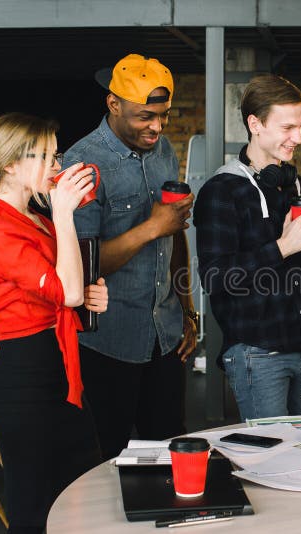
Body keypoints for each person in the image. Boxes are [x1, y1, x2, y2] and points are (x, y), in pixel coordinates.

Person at [0, 112, 108, 533]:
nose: (56, 167)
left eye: (56, 154)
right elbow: (64, 291)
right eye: (45, 156)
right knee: (33, 513)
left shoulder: (37, 220)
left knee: (83, 494)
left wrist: (88, 299)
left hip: (58, 372)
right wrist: (66, 216)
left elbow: (68, 294)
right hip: (22, 380)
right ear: (10, 163)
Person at [63, 54, 196, 460]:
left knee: (169, 453)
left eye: (163, 116)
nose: (156, 127)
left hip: (166, 337)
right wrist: (151, 226)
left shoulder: (165, 150)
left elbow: (175, 233)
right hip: (109, 341)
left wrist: (187, 310)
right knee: (107, 460)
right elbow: (83, 263)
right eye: (144, 117)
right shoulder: (83, 162)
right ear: (113, 105)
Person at [194, 74, 301, 421]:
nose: (298, 138)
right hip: (258, 354)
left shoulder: (290, 181)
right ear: (255, 123)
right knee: (270, 458)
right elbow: (215, 278)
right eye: (288, 128)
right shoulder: (221, 190)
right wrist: (282, 246)